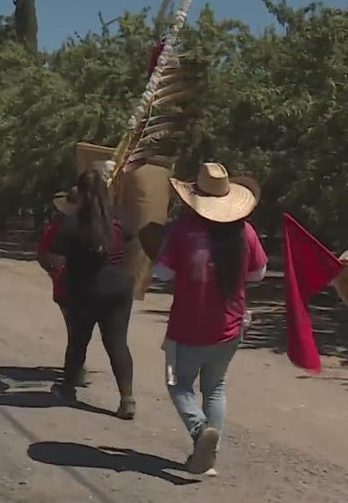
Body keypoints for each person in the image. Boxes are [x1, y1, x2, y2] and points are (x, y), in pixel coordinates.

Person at [152, 163, 268, 476]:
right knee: (215, 387)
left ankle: (200, 432)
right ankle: (209, 458)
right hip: (230, 327)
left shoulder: (184, 230)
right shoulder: (245, 231)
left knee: (177, 384)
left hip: (187, 329)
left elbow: (162, 274)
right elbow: (258, 273)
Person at [47, 166, 136, 419]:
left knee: (78, 342)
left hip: (84, 288)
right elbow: (128, 240)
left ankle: (67, 390)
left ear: (82, 193)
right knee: (117, 343)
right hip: (119, 288)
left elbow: (55, 257)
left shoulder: (72, 223)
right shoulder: (117, 223)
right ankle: (127, 398)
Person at [38, 192, 86, 386]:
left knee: (74, 328)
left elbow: (42, 255)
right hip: (83, 284)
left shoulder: (56, 227)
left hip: (65, 284)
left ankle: (75, 369)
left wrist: (53, 272)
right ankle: (76, 369)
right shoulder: (98, 226)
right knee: (78, 329)